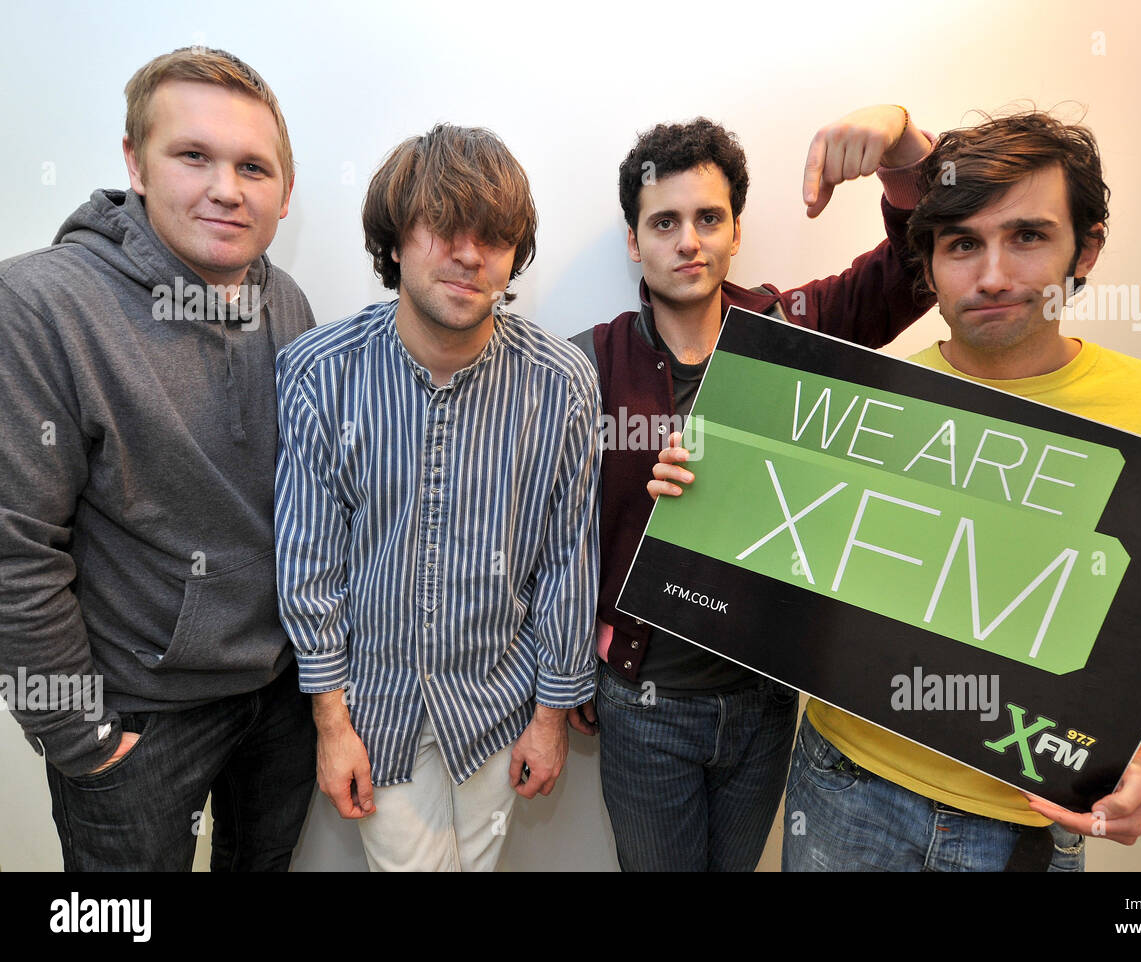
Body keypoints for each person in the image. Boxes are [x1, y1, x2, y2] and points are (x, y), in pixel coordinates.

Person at [652, 110, 1141, 871]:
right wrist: (698, 490)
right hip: (844, 785)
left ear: (1083, 249)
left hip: (1028, 815)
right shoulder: (861, 400)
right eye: (962, 245)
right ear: (929, 266)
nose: (991, 275)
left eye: (1027, 235)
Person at [572, 104, 936, 871]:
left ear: (736, 231)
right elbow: (552, 532)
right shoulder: (589, 363)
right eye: (663, 223)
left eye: (709, 217)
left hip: (763, 699)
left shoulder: (789, 326)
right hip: (643, 701)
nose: (689, 240)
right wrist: (569, 667)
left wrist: (903, 148)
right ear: (634, 242)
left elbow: (910, 269)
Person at [0, 47, 316, 871]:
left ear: (284, 192)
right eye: (194, 156)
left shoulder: (285, 300)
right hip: (140, 720)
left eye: (254, 166)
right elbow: (13, 547)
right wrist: (83, 737)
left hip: (278, 699)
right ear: (136, 163)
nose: (226, 188)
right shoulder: (40, 306)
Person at [275, 124, 601, 872]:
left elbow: (566, 559)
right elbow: (307, 560)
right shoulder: (320, 374)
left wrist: (552, 715)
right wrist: (331, 725)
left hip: (498, 697)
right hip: (375, 706)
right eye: (443, 227)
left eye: (495, 235)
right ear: (393, 242)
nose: (469, 254)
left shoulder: (561, 382)